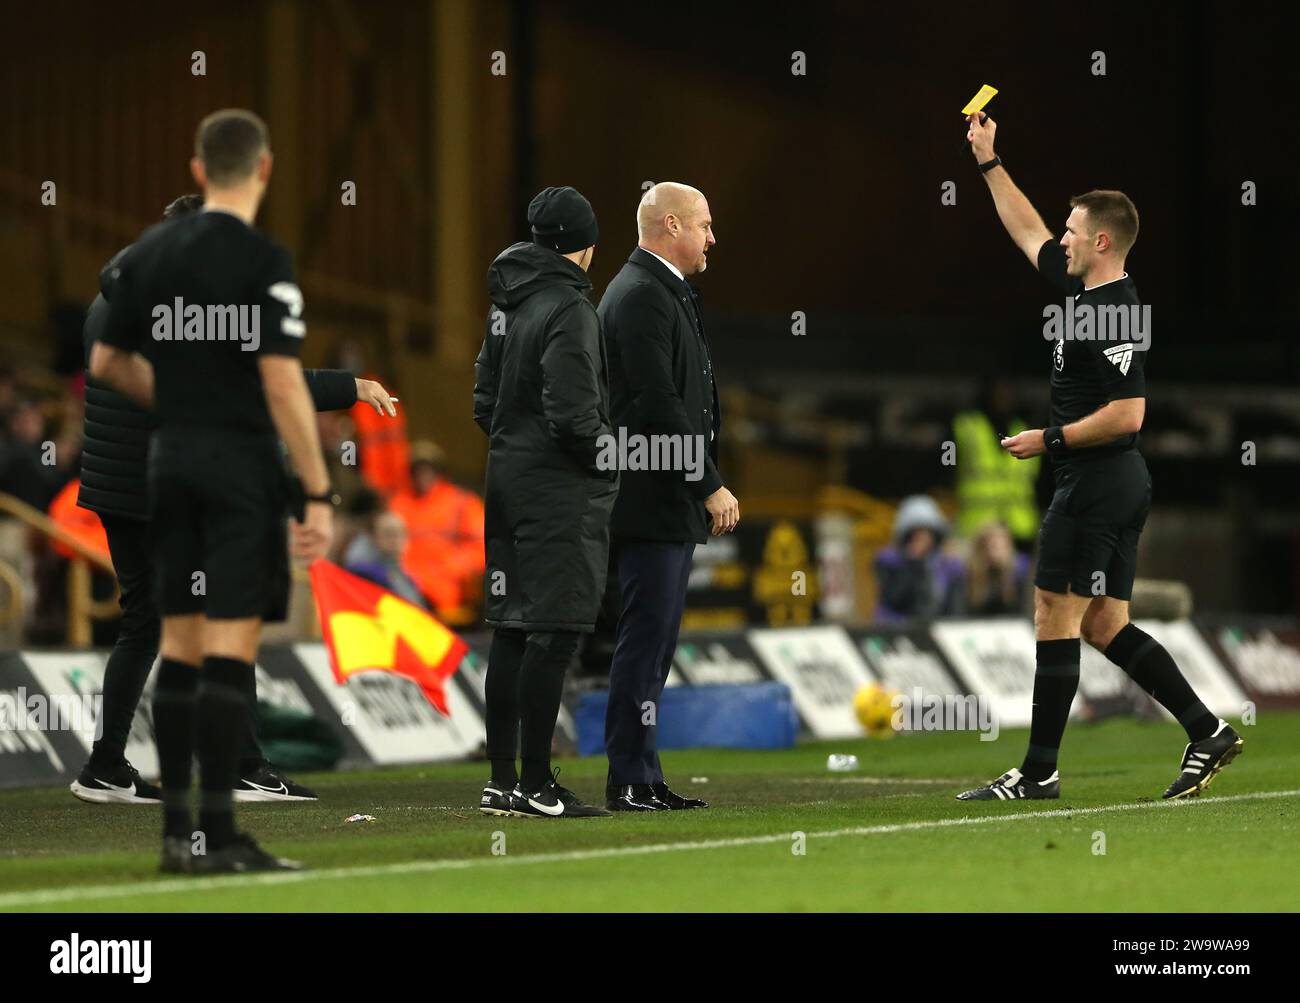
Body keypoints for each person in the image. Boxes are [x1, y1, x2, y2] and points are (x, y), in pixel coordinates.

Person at [71, 193, 397, 806]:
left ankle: (106, 765)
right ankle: (240, 766)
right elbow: (259, 381)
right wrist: (348, 386)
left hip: (115, 486)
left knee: (142, 623)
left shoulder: (107, 297)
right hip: (173, 485)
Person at [956, 112, 1242, 802]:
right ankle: (1207, 731)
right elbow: (1026, 229)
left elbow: (1129, 412)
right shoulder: (1084, 292)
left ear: (1102, 241)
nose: (1062, 238)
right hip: (1111, 482)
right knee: (1104, 621)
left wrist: (1047, 440)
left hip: (1098, 481)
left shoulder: (1112, 309)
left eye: (1074, 231)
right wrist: (989, 161)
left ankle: (1038, 771)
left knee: (1054, 610)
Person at [91, 108, 334, 872]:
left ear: (198, 171)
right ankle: (221, 833)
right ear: (263, 170)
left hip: (169, 466)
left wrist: (176, 400)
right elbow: (283, 381)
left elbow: (102, 362)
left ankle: (175, 839)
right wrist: (318, 492)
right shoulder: (264, 259)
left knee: (178, 641)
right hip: (237, 473)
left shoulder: (151, 253)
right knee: (231, 641)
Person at [472, 186, 616, 818]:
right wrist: (613, 461)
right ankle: (536, 783)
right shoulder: (570, 309)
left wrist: (517, 447)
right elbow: (574, 417)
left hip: (506, 481)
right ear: (585, 246)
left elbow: (482, 401)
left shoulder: (506, 302)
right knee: (553, 634)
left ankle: (502, 780)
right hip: (558, 493)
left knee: (509, 629)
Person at [598, 182, 736, 812]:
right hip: (650, 496)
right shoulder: (641, 296)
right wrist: (705, 481)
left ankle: (644, 774)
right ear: (672, 225)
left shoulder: (658, 291)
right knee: (645, 638)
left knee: (655, 644)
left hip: (660, 494)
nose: (713, 237)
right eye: (705, 225)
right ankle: (628, 777)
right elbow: (657, 404)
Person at [387, 440, 485, 616]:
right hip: (404, 588)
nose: (423, 475)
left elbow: (482, 548)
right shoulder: (398, 504)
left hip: (446, 594)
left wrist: (449, 568)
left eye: (429, 469)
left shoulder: (462, 503)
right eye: (417, 470)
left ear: (439, 471)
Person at [953, 377, 1040, 548]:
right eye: (999, 391)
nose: (1004, 397)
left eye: (1009, 392)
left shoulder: (1027, 432)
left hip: (1020, 529)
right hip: (976, 526)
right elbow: (946, 465)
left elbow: (1038, 480)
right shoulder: (967, 427)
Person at [873, 495, 965, 622]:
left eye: (926, 533)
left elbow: (955, 610)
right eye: (915, 534)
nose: (921, 539)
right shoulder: (889, 562)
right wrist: (914, 563)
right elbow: (894, 600)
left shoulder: (950, 566)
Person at [343, 509, 429, 609]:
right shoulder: (363, 576)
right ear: (373, 538)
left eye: (401, 533)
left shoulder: (409, 579)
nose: (396, 539)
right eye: (389, 533)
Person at [963, 520, 1030, 616]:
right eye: (990, 546)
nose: (994, 552)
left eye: (999, 546)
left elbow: (1022, 611)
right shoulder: (967, 575)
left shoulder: (1020, 575)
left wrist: (1004, 575)